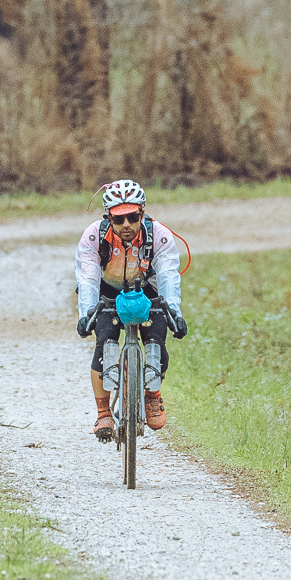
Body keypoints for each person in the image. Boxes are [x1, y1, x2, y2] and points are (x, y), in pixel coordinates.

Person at [75, 179, 187, 439]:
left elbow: (169, 275)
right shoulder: (93, 236)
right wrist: (86, 314)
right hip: (107, 290)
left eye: (132, 217)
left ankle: (152, 395)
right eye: (118, 219)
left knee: (156, 339)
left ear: (142, 214)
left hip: (148, 288)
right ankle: (104, 414)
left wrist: (174, 312)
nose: (126, 225)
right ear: (108, 218)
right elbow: (88, 278)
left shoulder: (159, 235)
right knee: (104, 341)